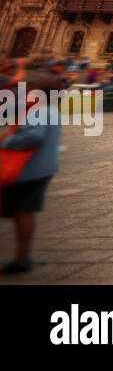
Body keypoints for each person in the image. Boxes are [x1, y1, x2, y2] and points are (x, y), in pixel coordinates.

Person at [0, 84, 61, 275]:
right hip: (43, 168)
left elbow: (33, 136)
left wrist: (6, 141)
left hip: (28, 170)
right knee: (24, 211)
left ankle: (22, 260)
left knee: (22, 212)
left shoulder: (39, 111)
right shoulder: (52, 111)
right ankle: (22, 258)